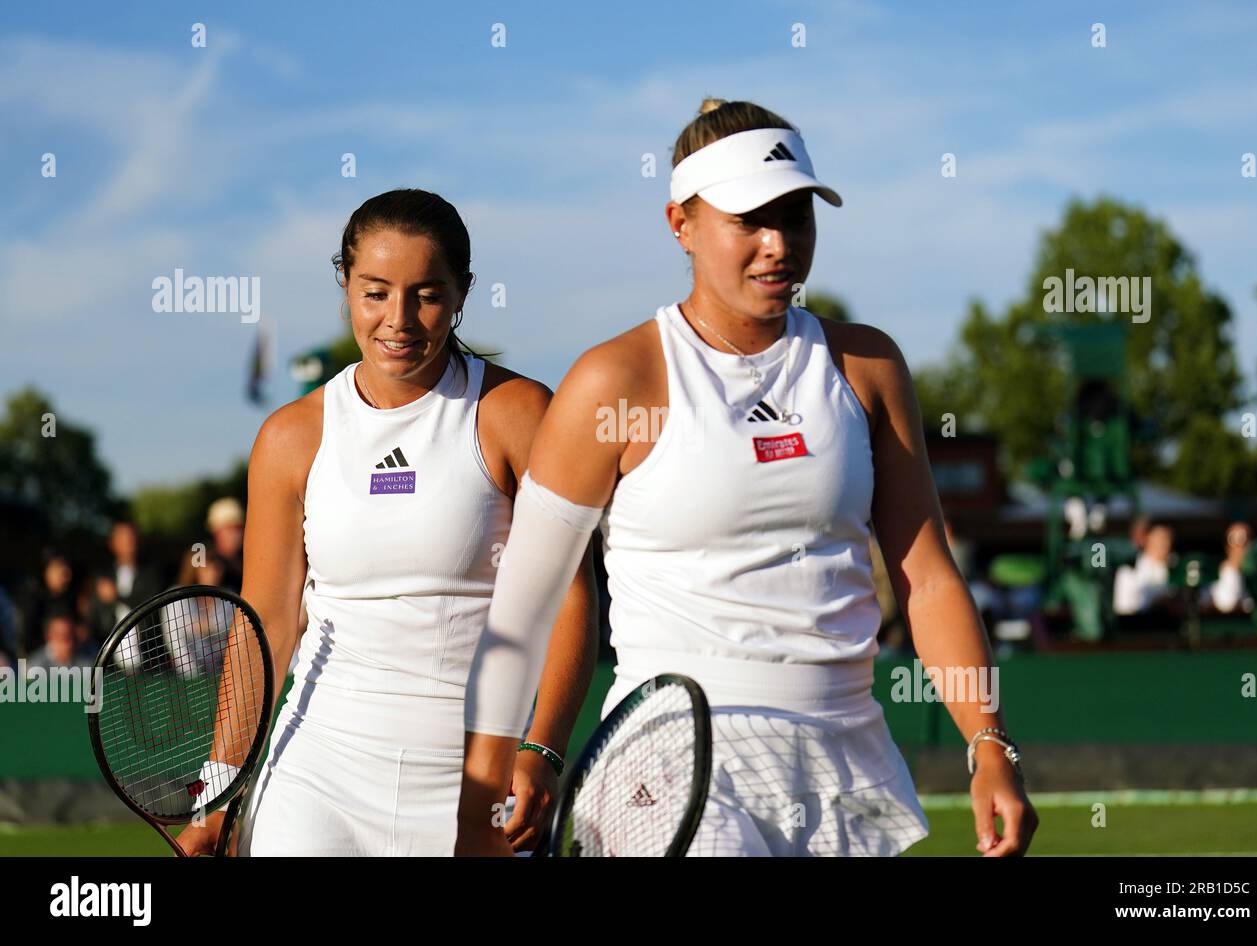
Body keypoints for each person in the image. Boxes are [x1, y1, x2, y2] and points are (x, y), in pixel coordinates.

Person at [460, 99, 1037, 856]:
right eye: (749, 221)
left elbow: (926, 579)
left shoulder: (867, 366)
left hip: (843, 761)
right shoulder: (613, 379)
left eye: (796, 219)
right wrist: (511, 767)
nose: (778, 246)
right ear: (681, 224)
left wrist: (990, 746)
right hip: (665, 762)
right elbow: (527, 603)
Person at [176, 189, 596, 857]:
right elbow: (269, 622)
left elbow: (572, 599)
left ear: (463, 294)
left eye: (426, 294)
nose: (398, 319)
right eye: (375, 292)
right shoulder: (291, 436)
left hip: (478, 786)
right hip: (316, 781)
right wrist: (217, 794)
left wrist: (541, 748)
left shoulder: (517, 412)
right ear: (344, 285)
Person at [1113, 522, 1176, 616]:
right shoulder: (1128, 571)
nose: (1164, 544)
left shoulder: (1177, 567)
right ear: (1146, 538)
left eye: (1167, 538)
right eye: (1159, 538)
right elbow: (1124, 608)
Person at [1207, 521, 1253, 614]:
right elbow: (1227, 604)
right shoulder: (1215, 574)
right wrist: (1233, 569)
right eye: (1233, 539)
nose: (1239, 547)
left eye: (1244, 539)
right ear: (1226, 546)